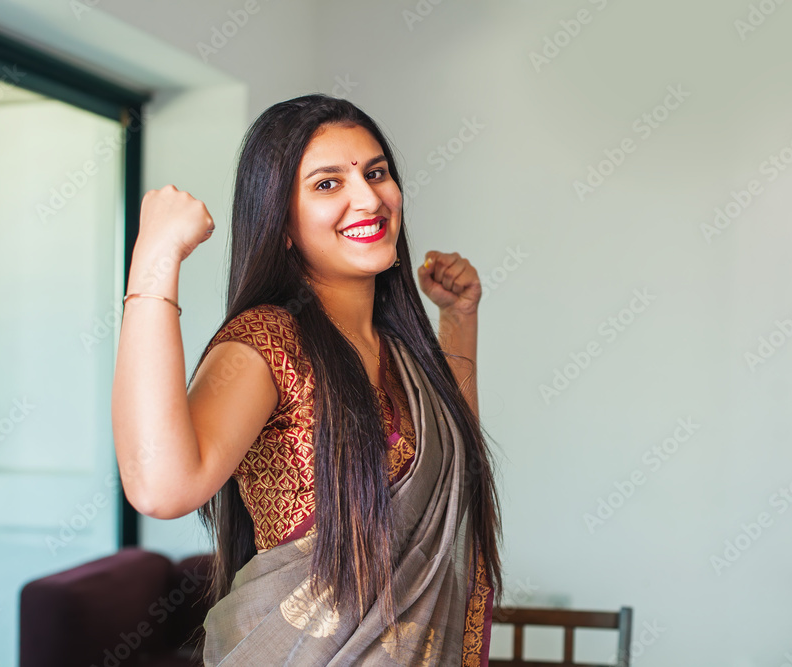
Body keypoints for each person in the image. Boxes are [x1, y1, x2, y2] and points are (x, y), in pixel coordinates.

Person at [112, 93, 503, 666]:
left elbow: (452, 461)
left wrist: (459, 320)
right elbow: (161, 486)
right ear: (282, 223)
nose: (368, 197)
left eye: (375, 173)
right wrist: (155, 256)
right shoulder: (269, 341)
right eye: (327, 184)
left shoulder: (399, 350)